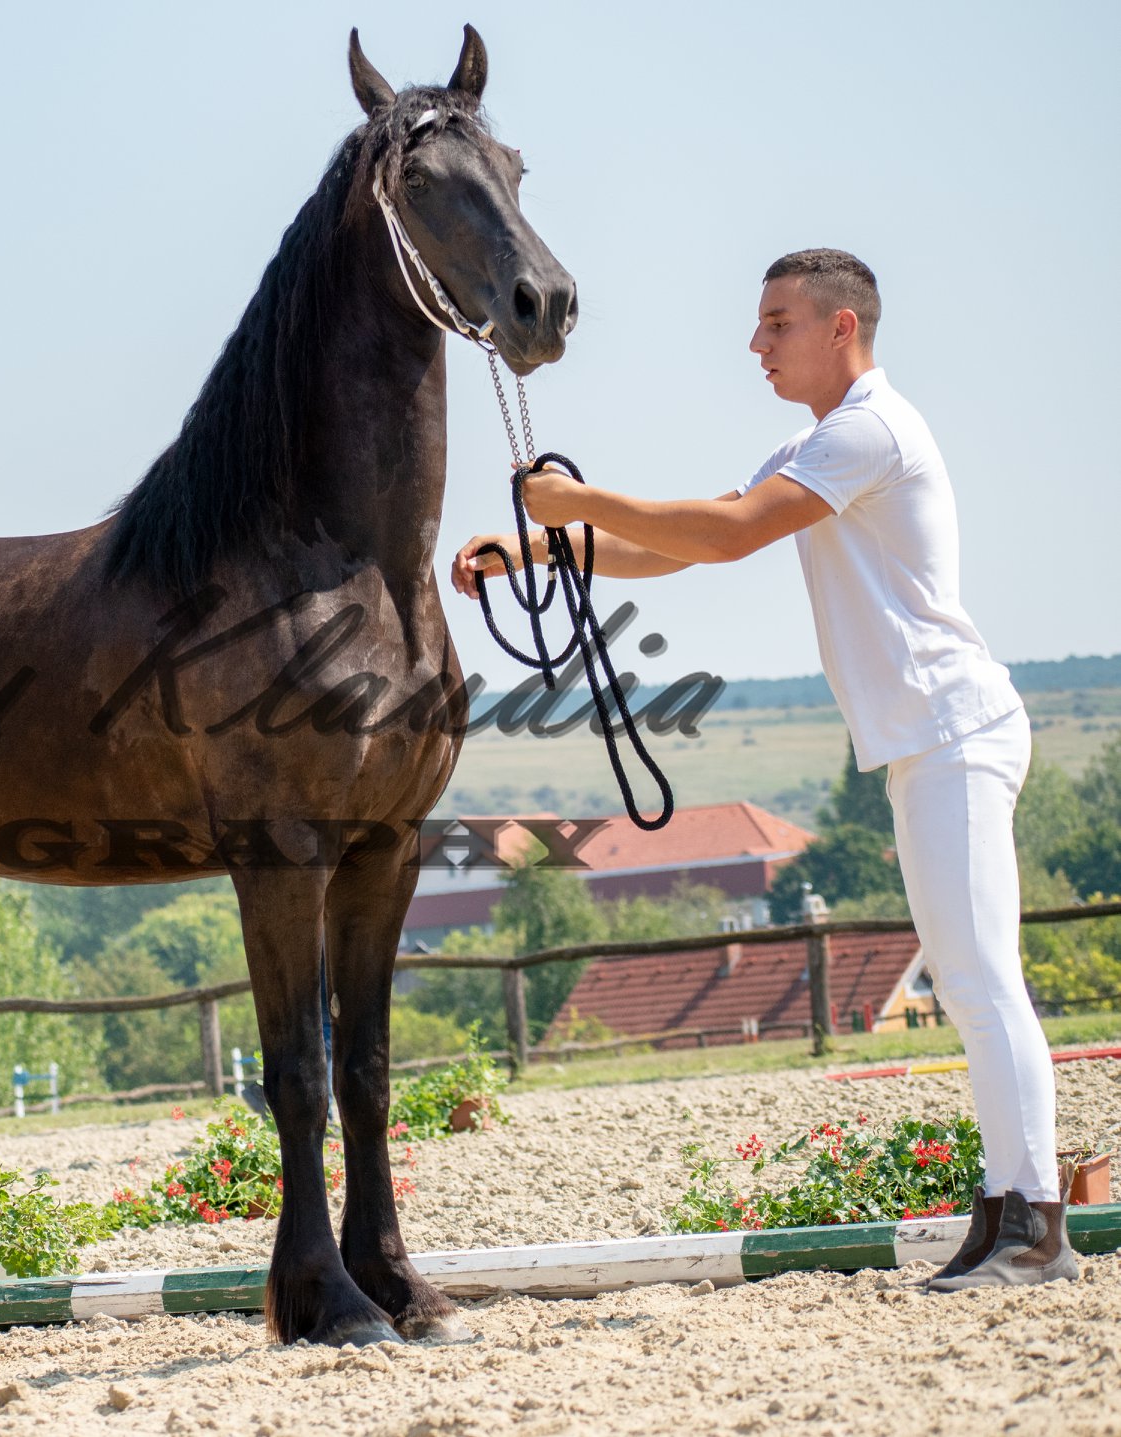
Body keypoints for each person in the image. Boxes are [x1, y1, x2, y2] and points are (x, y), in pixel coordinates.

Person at [451, 248, 1076, 1290]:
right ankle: (1008, 1213)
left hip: (951, 734)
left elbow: (733, 535)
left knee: (974, 981)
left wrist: (578, 500)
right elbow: (682, 545)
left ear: (841, 328)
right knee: (971, 981)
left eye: (775, 323)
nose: (754, 343)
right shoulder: (818, 442)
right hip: (928, 741)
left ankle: (1030, 1223)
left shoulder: (868, 429)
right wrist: (539, 551)